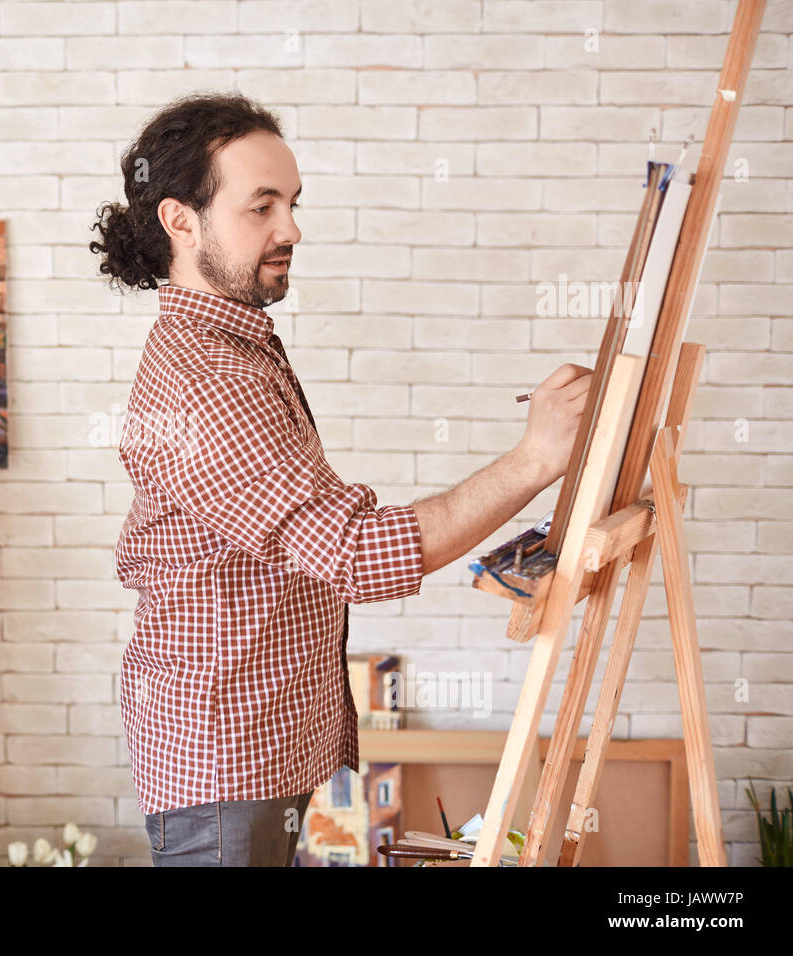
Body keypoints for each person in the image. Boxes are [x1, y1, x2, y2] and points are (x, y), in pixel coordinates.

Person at [90, 92, 592, 867]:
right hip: (229, 764)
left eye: (290, 203)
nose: (291, 228)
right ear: (180, 222)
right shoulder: (206, 380)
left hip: (270, 743)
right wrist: (535, 460)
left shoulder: (241, 348)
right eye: (261, 206)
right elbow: (358, 554)